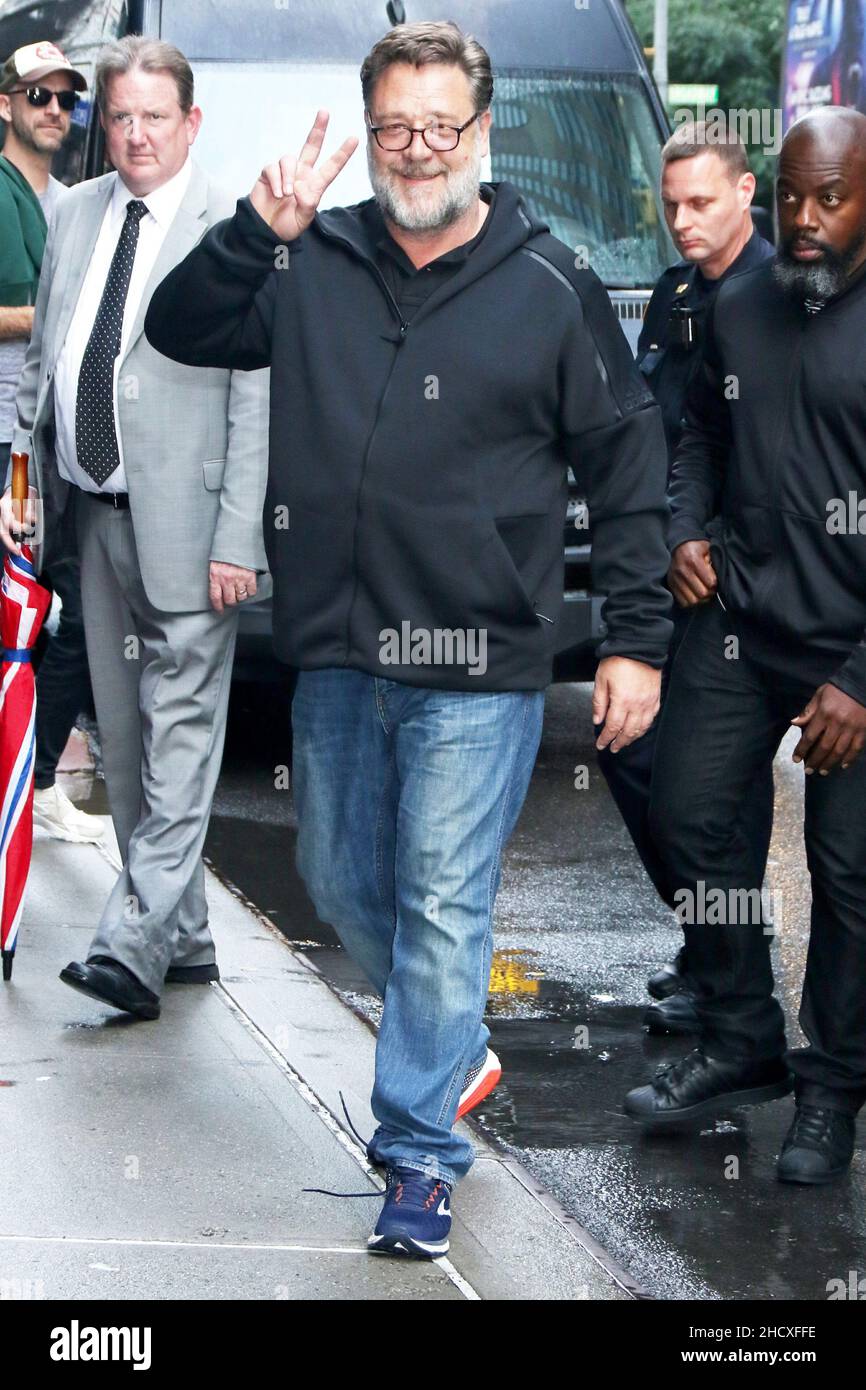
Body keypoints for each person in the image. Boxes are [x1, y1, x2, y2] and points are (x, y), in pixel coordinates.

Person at [145, 21, 672, 1259]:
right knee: (337, 880)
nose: (419, 148)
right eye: (395, 127)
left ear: (482, 133)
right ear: (368, 130)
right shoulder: (310, 258)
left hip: (480, 660)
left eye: (443, 125)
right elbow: (180, 328)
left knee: (440, 904)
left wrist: (632, 638)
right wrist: (246, 235)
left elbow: (629, 462)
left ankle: (417, 1154)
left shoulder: (550, 283)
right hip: (338, 646)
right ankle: (456, 1049)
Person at [1, 36, 269, 1016]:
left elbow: (256, 391)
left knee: (183, 725)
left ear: (191, 123)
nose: (135, 133)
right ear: (99, 124)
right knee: (123, 740)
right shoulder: (73, 213)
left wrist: (242, 535)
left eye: (155, 116)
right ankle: (186, 931)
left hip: (194, 528)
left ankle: (132, 939)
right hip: (90, 517)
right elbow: (45, 368)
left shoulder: (231, 227)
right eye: (119, 115)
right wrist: (26, 484)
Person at [624, 106, 866, 1186]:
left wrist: (858, 679)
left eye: (832, 198)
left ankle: (829, 1089)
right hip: (738, 620)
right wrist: (682, 526)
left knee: (847, 875)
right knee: (685, 811)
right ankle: (738, 1037)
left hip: (849, 652)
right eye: (793, 198)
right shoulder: (739, 305)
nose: (805, 220)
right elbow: (698, 439)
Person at [596, 121, 775, 1038]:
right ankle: (713, 947)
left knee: (718, 793)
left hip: (731, 582)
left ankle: (726, 968)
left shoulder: (782, 295)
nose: (683, 222)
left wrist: (700, 536)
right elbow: (649, 417)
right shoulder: (676, 293)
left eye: (702, 201)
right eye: (670, 205)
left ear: (746, 193)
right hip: (661, 560)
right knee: (633, 754)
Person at [0, 41, 102, 843]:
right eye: (39, 96)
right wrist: (63, 313)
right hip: (6, 437)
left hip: (51, 444)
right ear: (6, 104)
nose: (54, 112)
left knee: (63, 615)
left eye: (66, 99)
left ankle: (30, 778)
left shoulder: (69, 201)